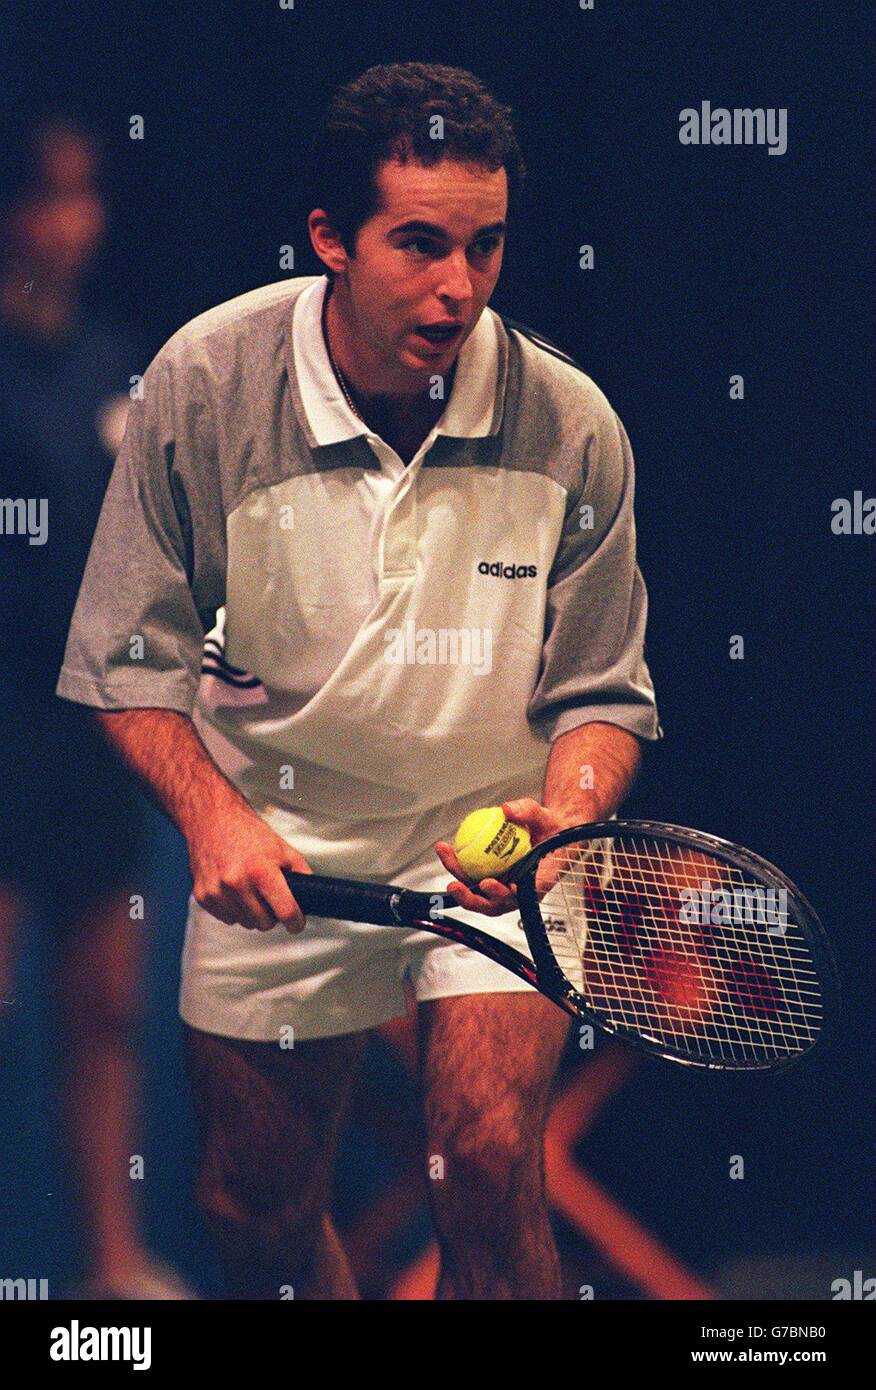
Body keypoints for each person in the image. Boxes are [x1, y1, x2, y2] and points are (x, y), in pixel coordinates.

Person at [55, 63, 662, 1299]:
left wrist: (572, 813)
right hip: (284, 850)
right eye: (422, 244)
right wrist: (214, 816)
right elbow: (127, 655)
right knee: (252, 1209)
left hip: (495, 860)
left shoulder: (574, 421)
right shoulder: (205, 384)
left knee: (486, 1162)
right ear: (331, 237)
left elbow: (602, 690)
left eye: (486, 247)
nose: (460, 287)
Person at [0, 116, 194, 1300]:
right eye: (44, 198)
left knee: (106, 1007)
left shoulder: (118, 366)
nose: (71, 226)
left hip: (89, 735)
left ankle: (112, 1266)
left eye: (86, 198)